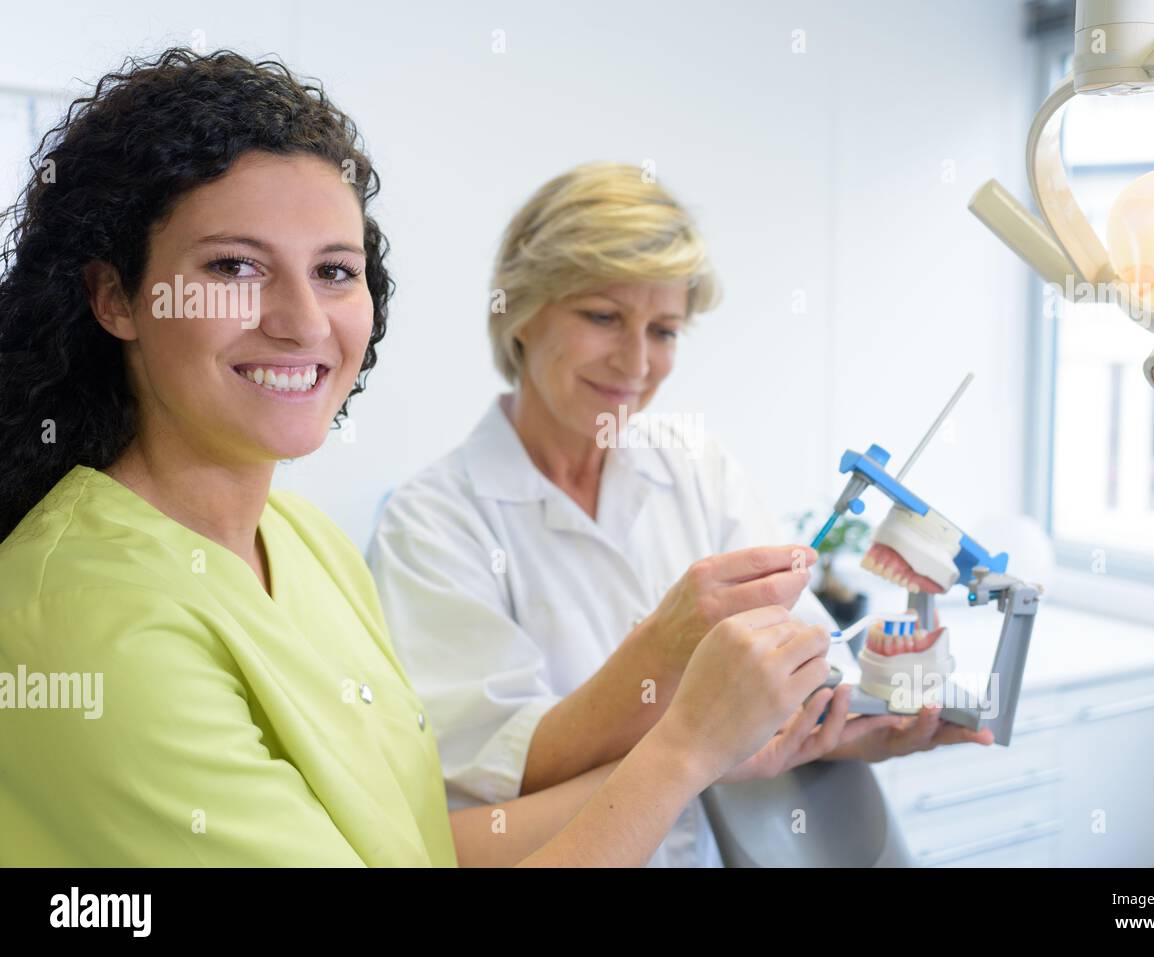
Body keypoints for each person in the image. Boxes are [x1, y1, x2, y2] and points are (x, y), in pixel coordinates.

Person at [0, 50, 831, 867]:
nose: (301, 321)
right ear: (115, 297)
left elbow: (421, 847)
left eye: (334, 270)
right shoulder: (86, 626)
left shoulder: (303, 541)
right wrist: (685, 743)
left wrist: (714, 745)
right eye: (234, 266)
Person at [367, 162, 992, 868]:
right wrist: (665, 653)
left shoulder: (695, 467)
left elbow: (795, 688)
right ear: (521, 312)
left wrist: (872, 721)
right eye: (603, 316)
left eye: (663, 330)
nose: (636, 362)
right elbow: (506, 771)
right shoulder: (432, 522)